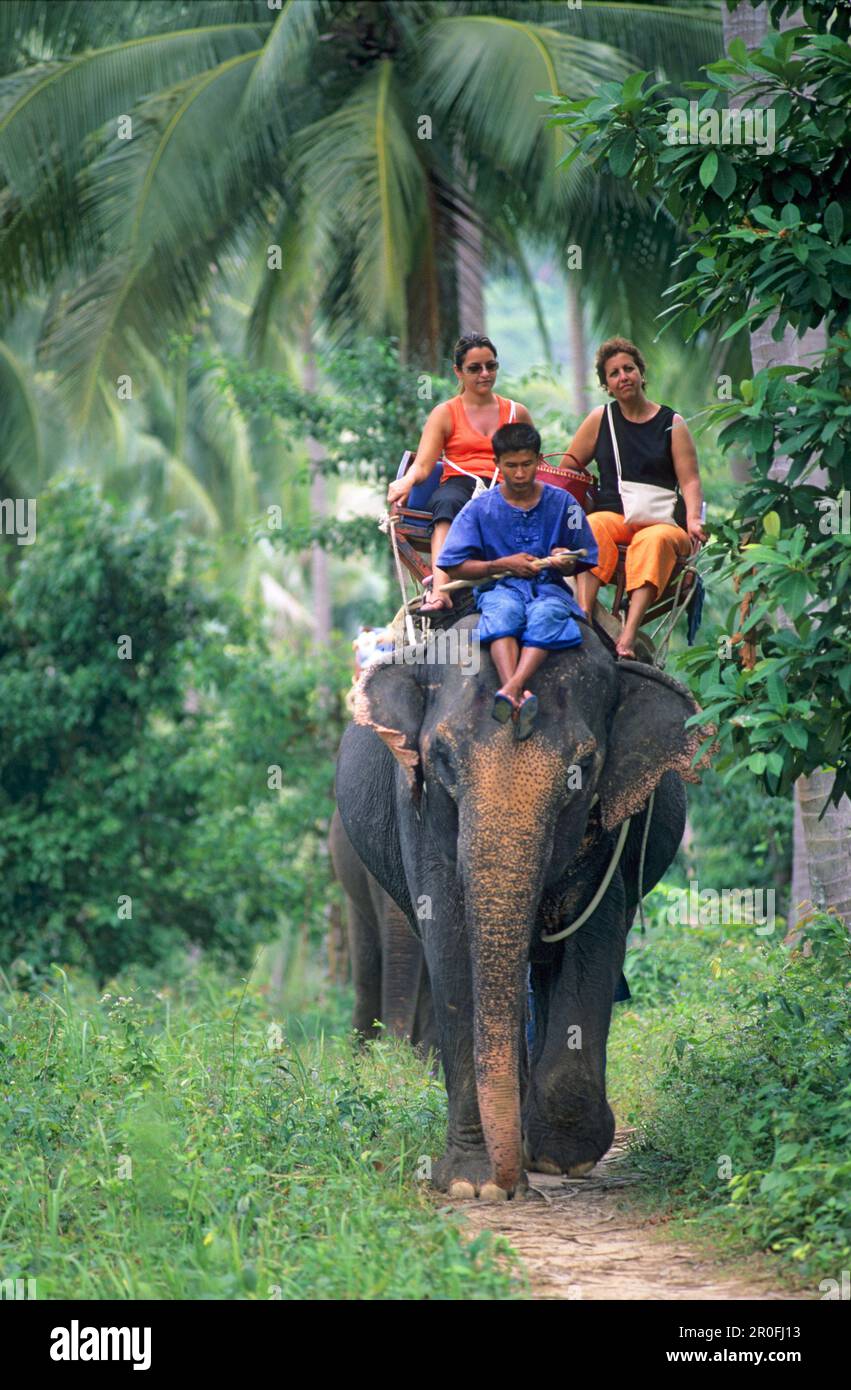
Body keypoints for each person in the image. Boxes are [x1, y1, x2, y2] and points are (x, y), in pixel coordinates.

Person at [438, 422, 599, 740]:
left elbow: (584, 558)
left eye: (527, 465)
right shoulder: (478, 508)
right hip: (500, 588)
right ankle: (518, 693)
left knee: (547, 613)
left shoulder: (565, 503)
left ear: (539, 461)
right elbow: (453, 565)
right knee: (505, 610)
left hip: (551, 588)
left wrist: (566, 559)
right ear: (496, 464)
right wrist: (499, 565)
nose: (521, 473)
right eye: (511, 466)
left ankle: (511, 689)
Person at [562, 337, 707, 659]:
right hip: (615, 516)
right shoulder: (601, 419)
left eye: (628, 369)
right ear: (607, 386)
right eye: (614, 373)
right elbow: (569, 469)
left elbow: (691, 479)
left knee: (652, 541)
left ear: (642, 374)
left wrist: (695, 519)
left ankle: (627, 637)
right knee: (594, 525)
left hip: (663, 521)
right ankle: (583, 614)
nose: (623, 376)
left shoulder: (672, 423)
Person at [386, 333, 533, 614]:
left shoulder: (517, 412)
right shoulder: (445, 413)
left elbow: (533, 461)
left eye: (491, 366)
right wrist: (406, 480)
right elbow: (423, 465)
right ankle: (440, 591)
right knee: (447, 502)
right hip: (461, 483)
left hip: (505, 485)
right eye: (474, 368)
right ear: (458, 372)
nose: (484, 374)